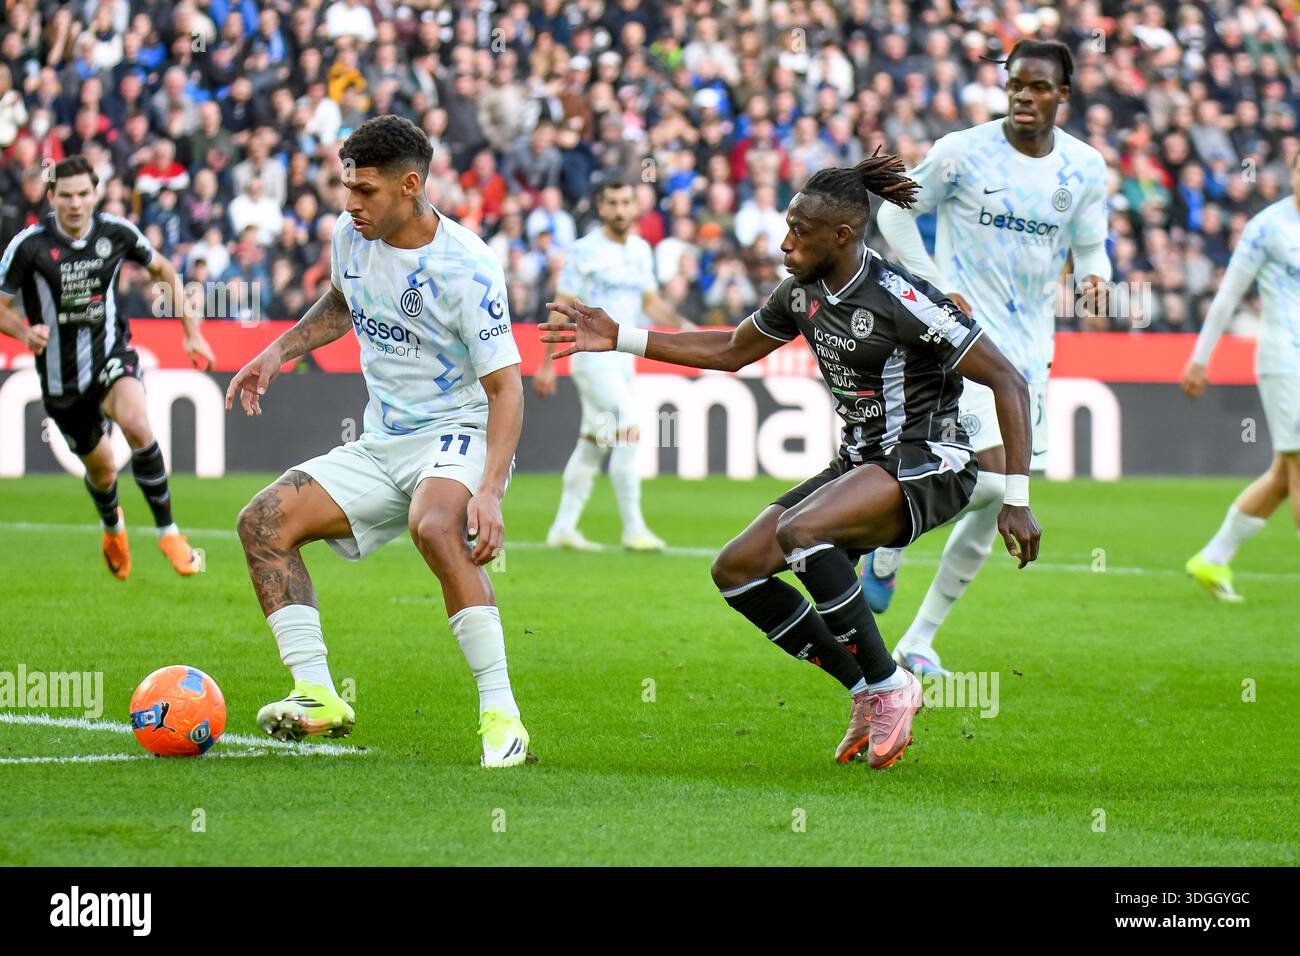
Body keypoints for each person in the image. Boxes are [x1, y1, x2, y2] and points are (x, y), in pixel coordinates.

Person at [542, 151, 1040, 769]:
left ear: (844, 235)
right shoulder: (801, 293)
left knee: (802, 531)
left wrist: (1015, 498)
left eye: (799, 232)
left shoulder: (903, 298)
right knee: (735, 570)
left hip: (927, 462)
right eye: (787, 227)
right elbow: (730, 349)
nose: (784, 243)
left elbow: (1009, 381)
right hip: (861, 461)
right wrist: (621, 336)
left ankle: (890, 686)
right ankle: (863, 690)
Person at [225, 116, 531, 767]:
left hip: (456, 433)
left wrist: (492, 492)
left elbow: (507, 390)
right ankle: (317, 695)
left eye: (364, 190)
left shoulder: (467, 268)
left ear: (410, 186)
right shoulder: (351, 236)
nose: (350, 203)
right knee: (262, 523)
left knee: (435, 526)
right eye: (346, 187)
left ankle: (501, 715)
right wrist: (279, 350)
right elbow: (340, 303)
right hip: (381, 440)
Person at [867, 40, 1111, 676]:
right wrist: (928, 284)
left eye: (1039, 87)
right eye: (1016, 85)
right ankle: (890, 540)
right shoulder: (963, 151)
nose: (1025, 96)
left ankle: (918, 640)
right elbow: (894, 210)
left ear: (1063, 94)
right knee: (1004, 481)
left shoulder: (1085, 168)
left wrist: (1094, 276)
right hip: (965, 341)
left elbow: (1091, 245)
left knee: (1004, 494)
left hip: (1034, 352)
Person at [0, 154, 212, 580]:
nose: (76, 203)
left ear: (95, 194)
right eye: (66, 195)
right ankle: (112, 526)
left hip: (112, 354)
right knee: (102, 470)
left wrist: (191, 331)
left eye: (83, 194)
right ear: (52, 197)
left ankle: (169, 532)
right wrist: (24, 334)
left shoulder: (116, 232)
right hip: (62, 380)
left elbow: (163, 269)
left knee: (137, 422)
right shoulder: (28, 247)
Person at [532, 178, 689, 551]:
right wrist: (546, 364)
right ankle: (633, 528)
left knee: (594, 442)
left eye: (625, 202)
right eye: (612, 203)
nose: (620, 210)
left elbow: (651, 303)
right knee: (629, 429)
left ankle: (563, 528)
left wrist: (685, 329)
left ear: (635, 207)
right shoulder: (584, 250)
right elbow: (562, 304)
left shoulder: (640, 250)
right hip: (591, 358)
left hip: (624, 359)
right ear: (601, 208)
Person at [1181, 151, 1300, 601]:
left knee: (1283, 476)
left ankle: (1212, 558)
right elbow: (1228, 295)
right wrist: (1200, 358)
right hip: (1284, 360)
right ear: (1291, 173)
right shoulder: (1267, 228)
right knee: (1299, 465)